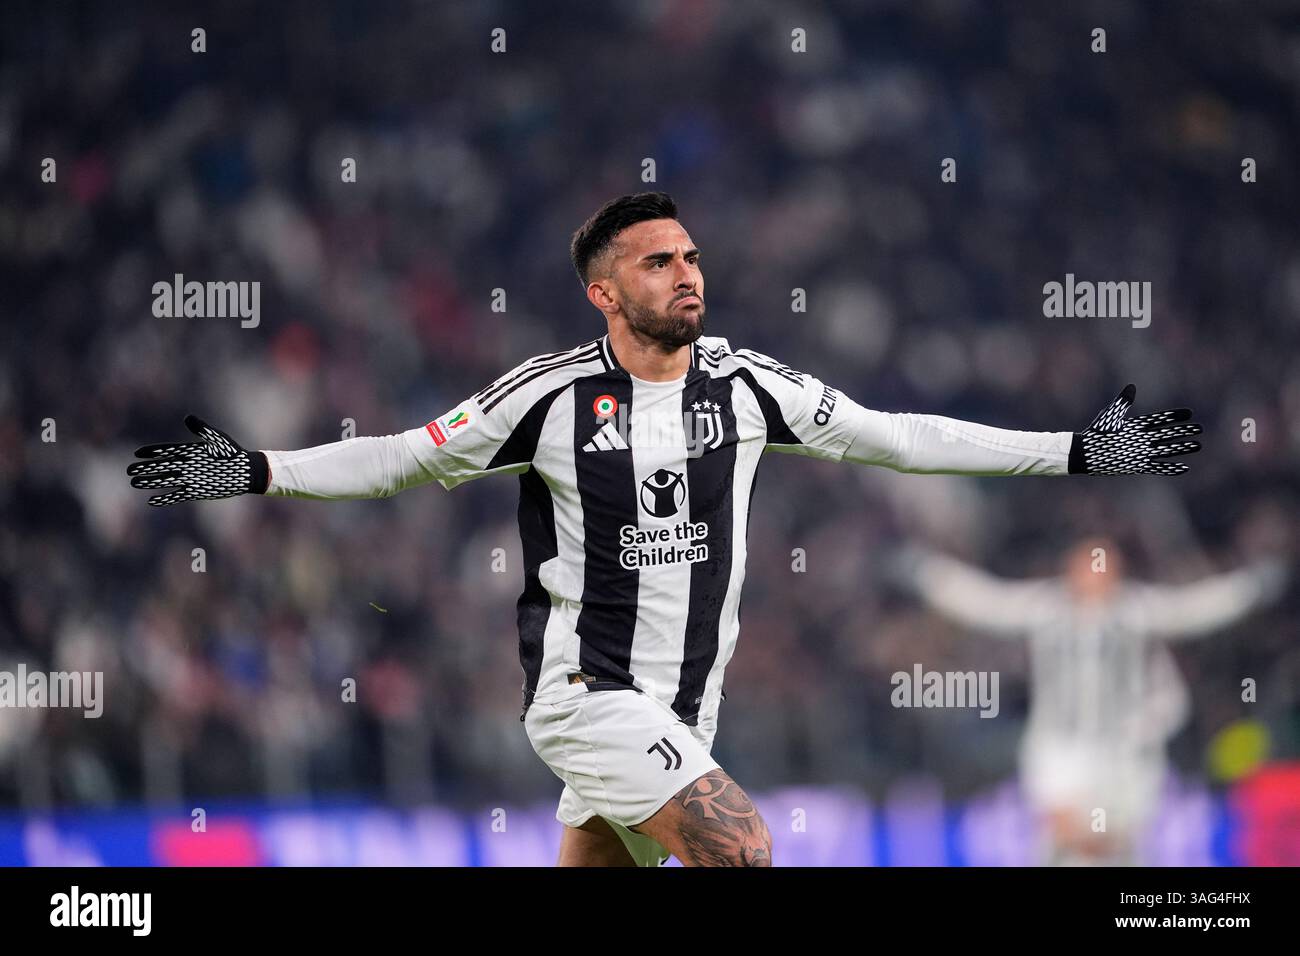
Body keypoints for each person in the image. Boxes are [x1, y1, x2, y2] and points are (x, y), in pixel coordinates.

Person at [128, 191, 1203, 866]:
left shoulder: (745, 385)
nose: (686, 272)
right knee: (743, 848)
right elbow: (403, 455)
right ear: (604, 290)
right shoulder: (545, 398)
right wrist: (257, 468)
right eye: (657, 261)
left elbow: (898, 437)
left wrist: (1074, 449)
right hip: (590, 701)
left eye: (689, 255)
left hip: (686, 710)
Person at [894, 539, 1286, 864]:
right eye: (1087, 565)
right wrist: (926, 573)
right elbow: (985, 601)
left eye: (1104, 566)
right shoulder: (1048, 608)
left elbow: (1196, 607)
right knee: (1066, 839)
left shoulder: (1136, 610)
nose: (1096, 574)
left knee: (1118, 849)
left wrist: (1252, 587)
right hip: (1060, 746)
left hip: (1125, 754)